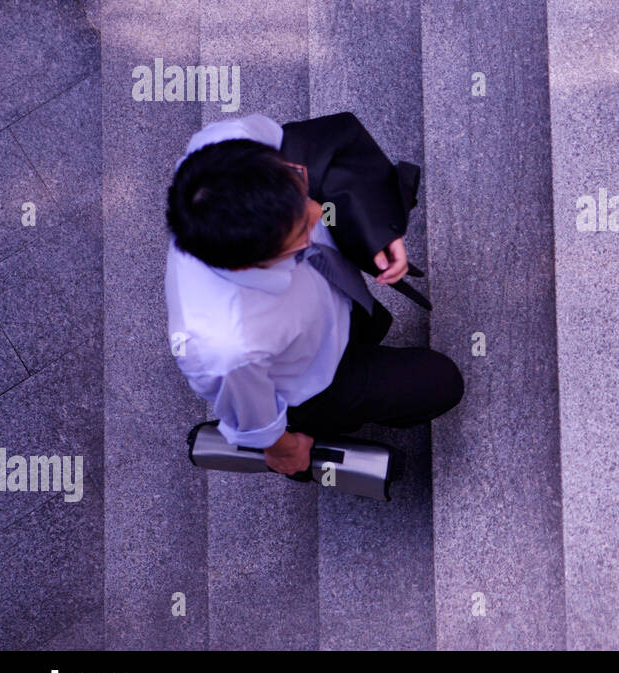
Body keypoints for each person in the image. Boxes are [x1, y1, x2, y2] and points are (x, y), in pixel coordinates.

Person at [163, 113, 463, 477]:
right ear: (249, 265)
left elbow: (301, 150)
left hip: (332, 299)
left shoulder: (224, 145)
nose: (318, 211)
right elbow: (257, 417)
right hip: (314, 382)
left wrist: (373, 226)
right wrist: (286, 450)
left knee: (370, 325)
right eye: (301, 231)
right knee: (441, 383)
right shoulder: (227, 345)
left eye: (299, 191)